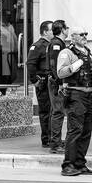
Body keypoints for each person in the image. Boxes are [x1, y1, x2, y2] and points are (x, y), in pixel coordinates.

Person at [55, 23, 92, 176]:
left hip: (88, 95)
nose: (85, 37)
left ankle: (80, 164)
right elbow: (60, 73)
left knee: (86, 131)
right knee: (75, 130)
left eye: (86, 34)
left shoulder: (87, 52)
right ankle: (68, 165)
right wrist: (75, 66)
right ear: (73, 37)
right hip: (75, 95)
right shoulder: (66, 53)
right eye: (81, 35)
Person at [26, 20, 54, 151]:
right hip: (42, 82)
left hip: (51, 82)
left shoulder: (51, 45)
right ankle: (46, 139)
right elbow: (30, 64)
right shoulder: (37, 46)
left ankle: (54, 137)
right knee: (45, 112)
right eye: (52, 29)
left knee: (53, 111)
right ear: (45, 32)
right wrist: (35, 81)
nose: (54, 32)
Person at [46, 20, 68, 154]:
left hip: (56, 81)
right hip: (56, 83)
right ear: (62, 29)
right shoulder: (56, 44)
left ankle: (57, 141)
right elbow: (55, 65)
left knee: (57, 111)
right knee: (58, 112)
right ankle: (55, 143)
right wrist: (59, 83)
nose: (68, 30)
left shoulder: (58, 43)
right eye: (67, 28)